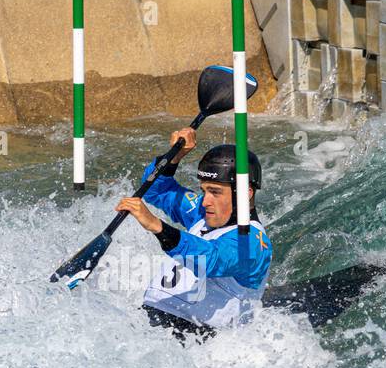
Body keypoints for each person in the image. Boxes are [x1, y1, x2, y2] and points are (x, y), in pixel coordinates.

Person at [115, 128, 272, 339]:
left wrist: (157, 227)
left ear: (245, 194)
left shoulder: (252, 241)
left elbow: (212, 258)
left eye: (215, 192)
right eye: (204, 190)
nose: (205, 200)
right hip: (150, 320)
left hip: (197, 339)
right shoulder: (202, 211)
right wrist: (173, 157)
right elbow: (156, 191)